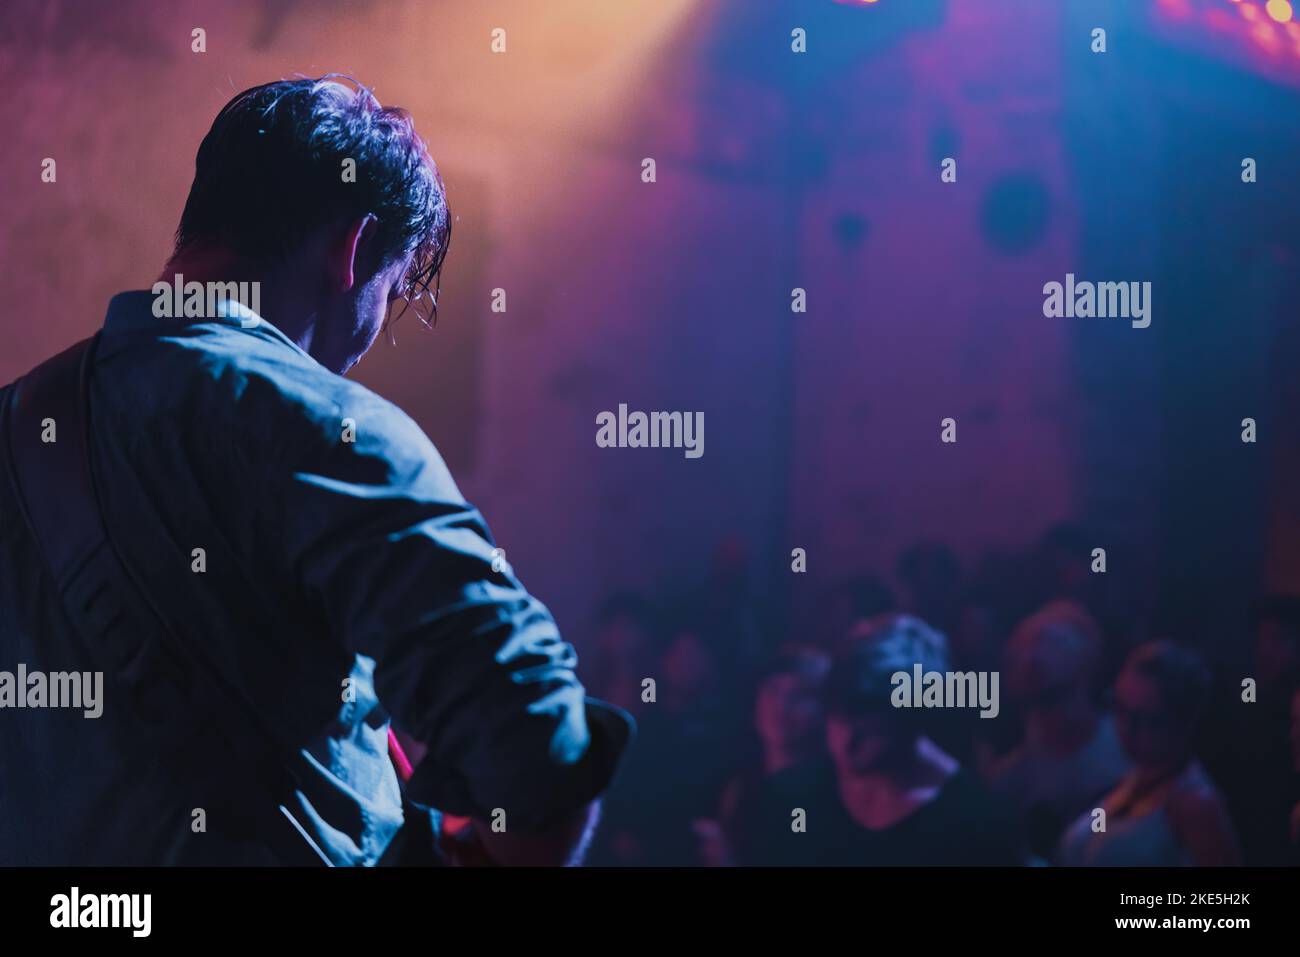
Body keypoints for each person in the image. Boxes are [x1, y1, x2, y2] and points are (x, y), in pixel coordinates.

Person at [0, 76, 629, 866]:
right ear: (353, 248)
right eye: (390, 290)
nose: (369, 336)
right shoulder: (337, 433)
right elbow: (542, 753)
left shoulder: (17, 423)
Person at [743, 615, 1022, 866]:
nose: (847, 739)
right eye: (838, 715)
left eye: (866, 720)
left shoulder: (975, 824)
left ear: (912, 714)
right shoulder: (791, 797)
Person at [1058, 641, 1239, 867]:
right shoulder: (1130, 781)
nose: (1127, 729)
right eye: (1120, 709)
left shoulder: (1196, 804)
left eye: (1145, 719)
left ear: (1182, 721)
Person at [983, 602, 1129, 860]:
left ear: (1087, 666)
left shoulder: (1134, 748)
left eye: (1056, 696)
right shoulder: (1008, 781)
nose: (1033, 656)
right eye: (1038, 701)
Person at [695, 647, 831, 866]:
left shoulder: (833, 795)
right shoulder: (739, 785)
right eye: (773, 690)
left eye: (799, 696)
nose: (782, 706)